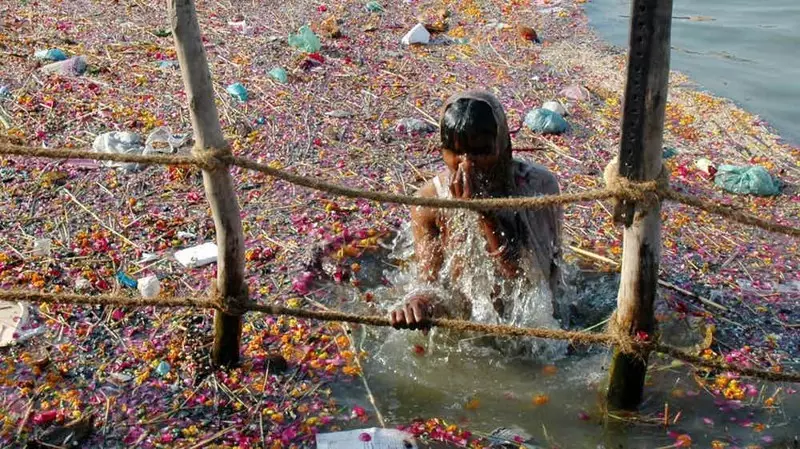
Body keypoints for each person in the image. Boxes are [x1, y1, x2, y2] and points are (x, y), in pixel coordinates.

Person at [389, 90, 564, 332]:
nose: (467, 164)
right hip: (468, 323)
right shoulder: (429, 202)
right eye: (455, 152)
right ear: (442, 150)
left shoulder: (536, 187)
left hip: (527, 326)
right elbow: (429, 283)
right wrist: (418, 303)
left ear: (502, 146)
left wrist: (484, 213)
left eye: (481, 151)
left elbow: (532, 286)